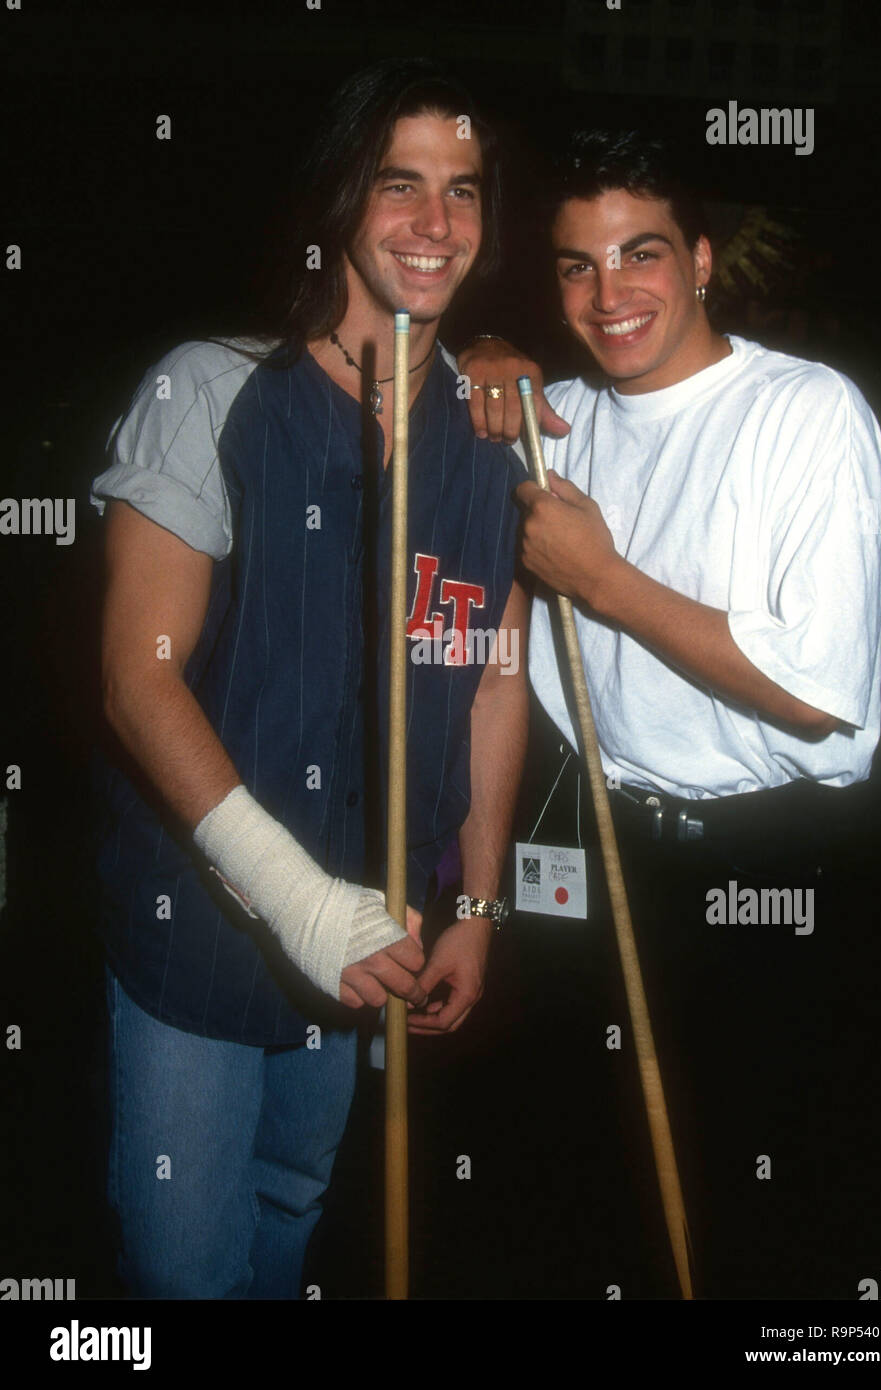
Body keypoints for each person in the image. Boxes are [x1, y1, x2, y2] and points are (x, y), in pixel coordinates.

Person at [89, 59, 528, 1299]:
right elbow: (136, 679)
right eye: (399, 185)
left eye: (463, 192)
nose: (434, 225)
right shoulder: (212, 387)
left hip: (375, 934)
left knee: (295, 1208)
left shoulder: (497, 435)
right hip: (202, 931)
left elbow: (495, 681)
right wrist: (291, 898)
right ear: (342, 195)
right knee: (181, 1272)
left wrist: (482, 909)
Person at [460, 129, 881, 1298]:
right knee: (584, 1190)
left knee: (770, 1211)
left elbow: (817, 695)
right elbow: (445, 364)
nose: (610, 297)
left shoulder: (806, 411)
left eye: (640, 256)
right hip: (595, 844)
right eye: (575, 267)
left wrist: (604, 583)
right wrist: (481, 349)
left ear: (701, 260)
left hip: (768, 863)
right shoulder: (562, 424)